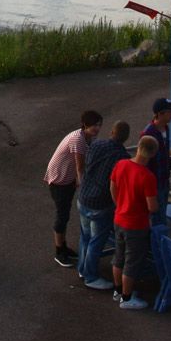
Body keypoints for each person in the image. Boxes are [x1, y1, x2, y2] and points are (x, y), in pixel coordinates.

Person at [44, 110, 102, 268]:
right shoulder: (78, 139)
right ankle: (59, 251)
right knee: (62, 215)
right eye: (94, 125)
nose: (97, 128)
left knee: (65, 214)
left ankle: (63, 247)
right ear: (85, 125)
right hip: (59, 179)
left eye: (99, 125)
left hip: (68, 178)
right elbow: (80, 167)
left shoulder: (89, 137)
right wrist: (84, 189)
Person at [76, 120, 130, 290]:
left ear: (112, 132)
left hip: (83, 197)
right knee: (96, 241)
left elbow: (86, 165)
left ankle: (82, 269)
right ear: (126, 138)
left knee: (85, 236)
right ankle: (90, 276)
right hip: (101, 204)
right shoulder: (123, 158)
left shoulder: (97, 145)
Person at [108, 135, 159, 310]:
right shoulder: (148, 176)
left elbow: (112, 186)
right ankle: (127, 298)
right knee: (132, 262)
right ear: (152, 154)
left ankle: (118, 290)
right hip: (136, 224)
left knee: (119, 257)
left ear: (138, 147)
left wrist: (119, 204)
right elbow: (152, 206)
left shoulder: (121, 164)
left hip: (119, 218)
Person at [141, 98, 171, 223]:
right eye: (170, 111)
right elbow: (144, 162)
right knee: (155, 216)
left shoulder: (166, 128)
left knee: (162, 211)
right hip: (154, 183)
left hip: (164, 180)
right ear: (160, 114)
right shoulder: (148, 133)